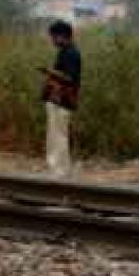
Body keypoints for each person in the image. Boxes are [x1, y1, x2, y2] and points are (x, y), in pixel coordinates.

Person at [39, 20, 81, 177]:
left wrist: (50, 72)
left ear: (62, 36)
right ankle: (55, 166)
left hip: (63, 100)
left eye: (53, 37)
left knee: (60, 136)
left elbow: (69, 78)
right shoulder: (64, 51)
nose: (52, 41)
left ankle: (61, 169)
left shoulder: (71, 53)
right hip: (57, 100)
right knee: (54, 134)